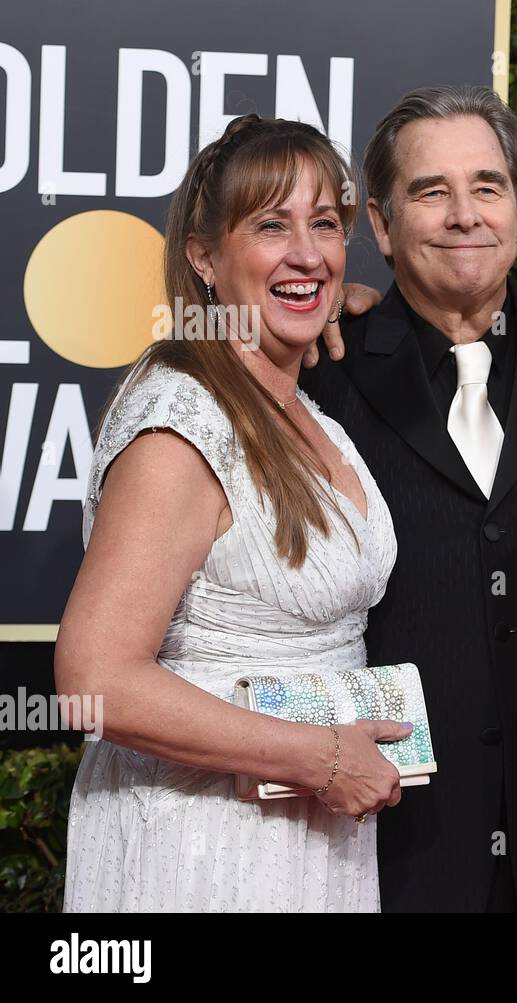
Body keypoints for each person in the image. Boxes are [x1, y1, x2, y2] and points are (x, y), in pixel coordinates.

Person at [56, 114, 410, 912]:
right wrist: (317, 758)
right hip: (199, 849)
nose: (308, 253)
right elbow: (94, 681)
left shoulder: (302, 407)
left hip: (311, 842)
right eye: (271, 225)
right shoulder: (182, 424)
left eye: (325, 224)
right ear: (203, 255)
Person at [298, 86, 517, 912]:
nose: (465, 214)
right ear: (381, 227)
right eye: (432, 192)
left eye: (487, 187)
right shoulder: (320, 373)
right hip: (390, 846)